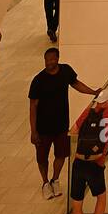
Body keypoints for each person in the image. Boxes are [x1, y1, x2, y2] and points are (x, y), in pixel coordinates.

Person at [28, 48, 98, 200]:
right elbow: (33, 106)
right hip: (43, 128)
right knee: (42, 158)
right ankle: (45, 183)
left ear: (57, 59)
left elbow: (76, 84)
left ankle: (55, 179)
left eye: (52, 59)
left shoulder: (66, 71)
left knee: (61, 155)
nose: (49, 62)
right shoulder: (38, 80)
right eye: (47, 60)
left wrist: (93, 92)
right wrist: (33, 131)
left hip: (61, 126)